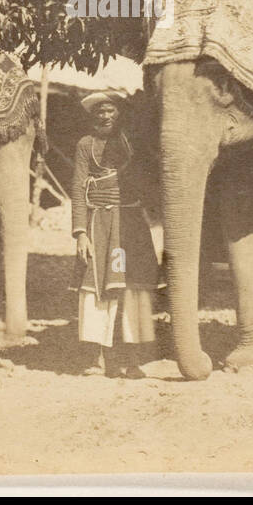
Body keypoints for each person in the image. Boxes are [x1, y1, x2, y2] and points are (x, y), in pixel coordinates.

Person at [70, 92, 160, 378]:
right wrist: (81, 233)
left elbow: (148, 178)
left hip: (131, 222)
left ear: (119, 114)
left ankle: (131, 361)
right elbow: (78, 189)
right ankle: (97, 359)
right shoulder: (85, 145)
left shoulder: (133, 143)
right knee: (97, 288)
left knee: (132, 287)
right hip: (100, 222)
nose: (105, 116)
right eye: (100, 112)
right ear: (92, 116)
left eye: (110, 111)